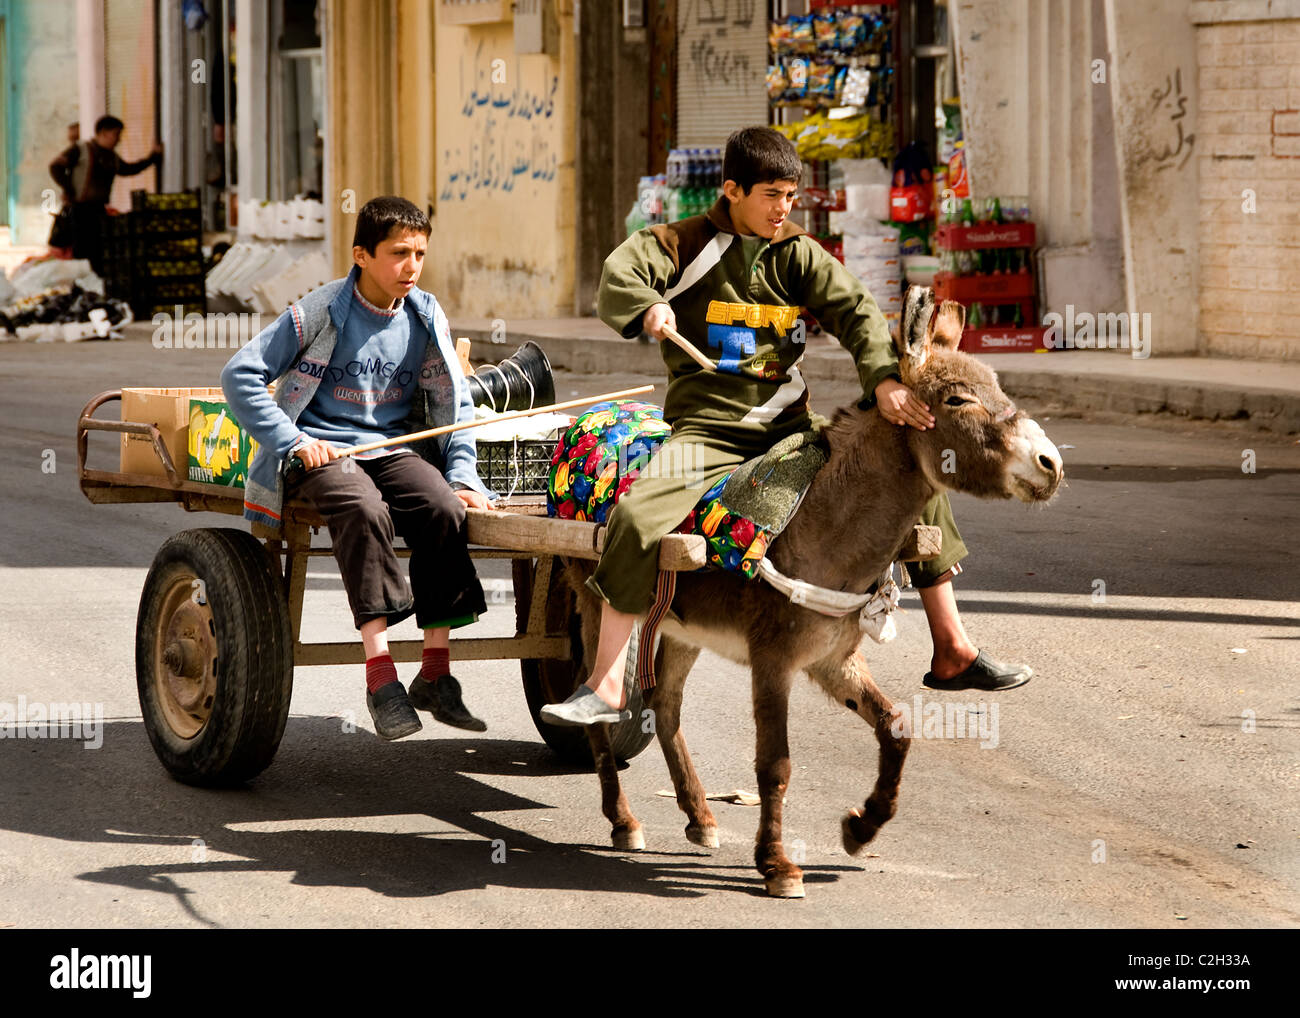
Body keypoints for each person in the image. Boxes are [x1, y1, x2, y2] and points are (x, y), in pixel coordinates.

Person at [541, 126, 1030, 728]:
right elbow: (621, 272)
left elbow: (856, 311)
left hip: (790, 428)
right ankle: (608, 681)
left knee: (911, 466)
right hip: (709, 433)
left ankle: (952, 644)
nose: (783, 208)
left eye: (791, 196)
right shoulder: (678, 242)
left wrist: (885, 382)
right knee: (638, 516)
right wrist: (648, 305)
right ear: (732, 190)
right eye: (771, 195)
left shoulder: (796, 251)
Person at [221, 196, 495, 741]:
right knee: (364, 509)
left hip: (394, 448)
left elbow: (455, 408)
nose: (412, 266)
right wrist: (294, 440)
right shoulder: (319, 310)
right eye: (398, 254)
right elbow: (239, 376)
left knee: (442, 506)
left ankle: (436, 672)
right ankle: (381, 678)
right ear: (361, 255)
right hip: (322, 453)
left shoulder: (426, 314)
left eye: (419, 253)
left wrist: (462, 477)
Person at [48, 114, 162, 274]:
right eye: (116, 134)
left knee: (99, 252)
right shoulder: (81, 150)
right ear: (103, 132)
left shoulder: (111, 158)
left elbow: (128, 169)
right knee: (82, 250)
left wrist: (152, 159)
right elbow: (55, 166)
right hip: (80, 210)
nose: (118, 139)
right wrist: (69, 188)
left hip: (98, 210)